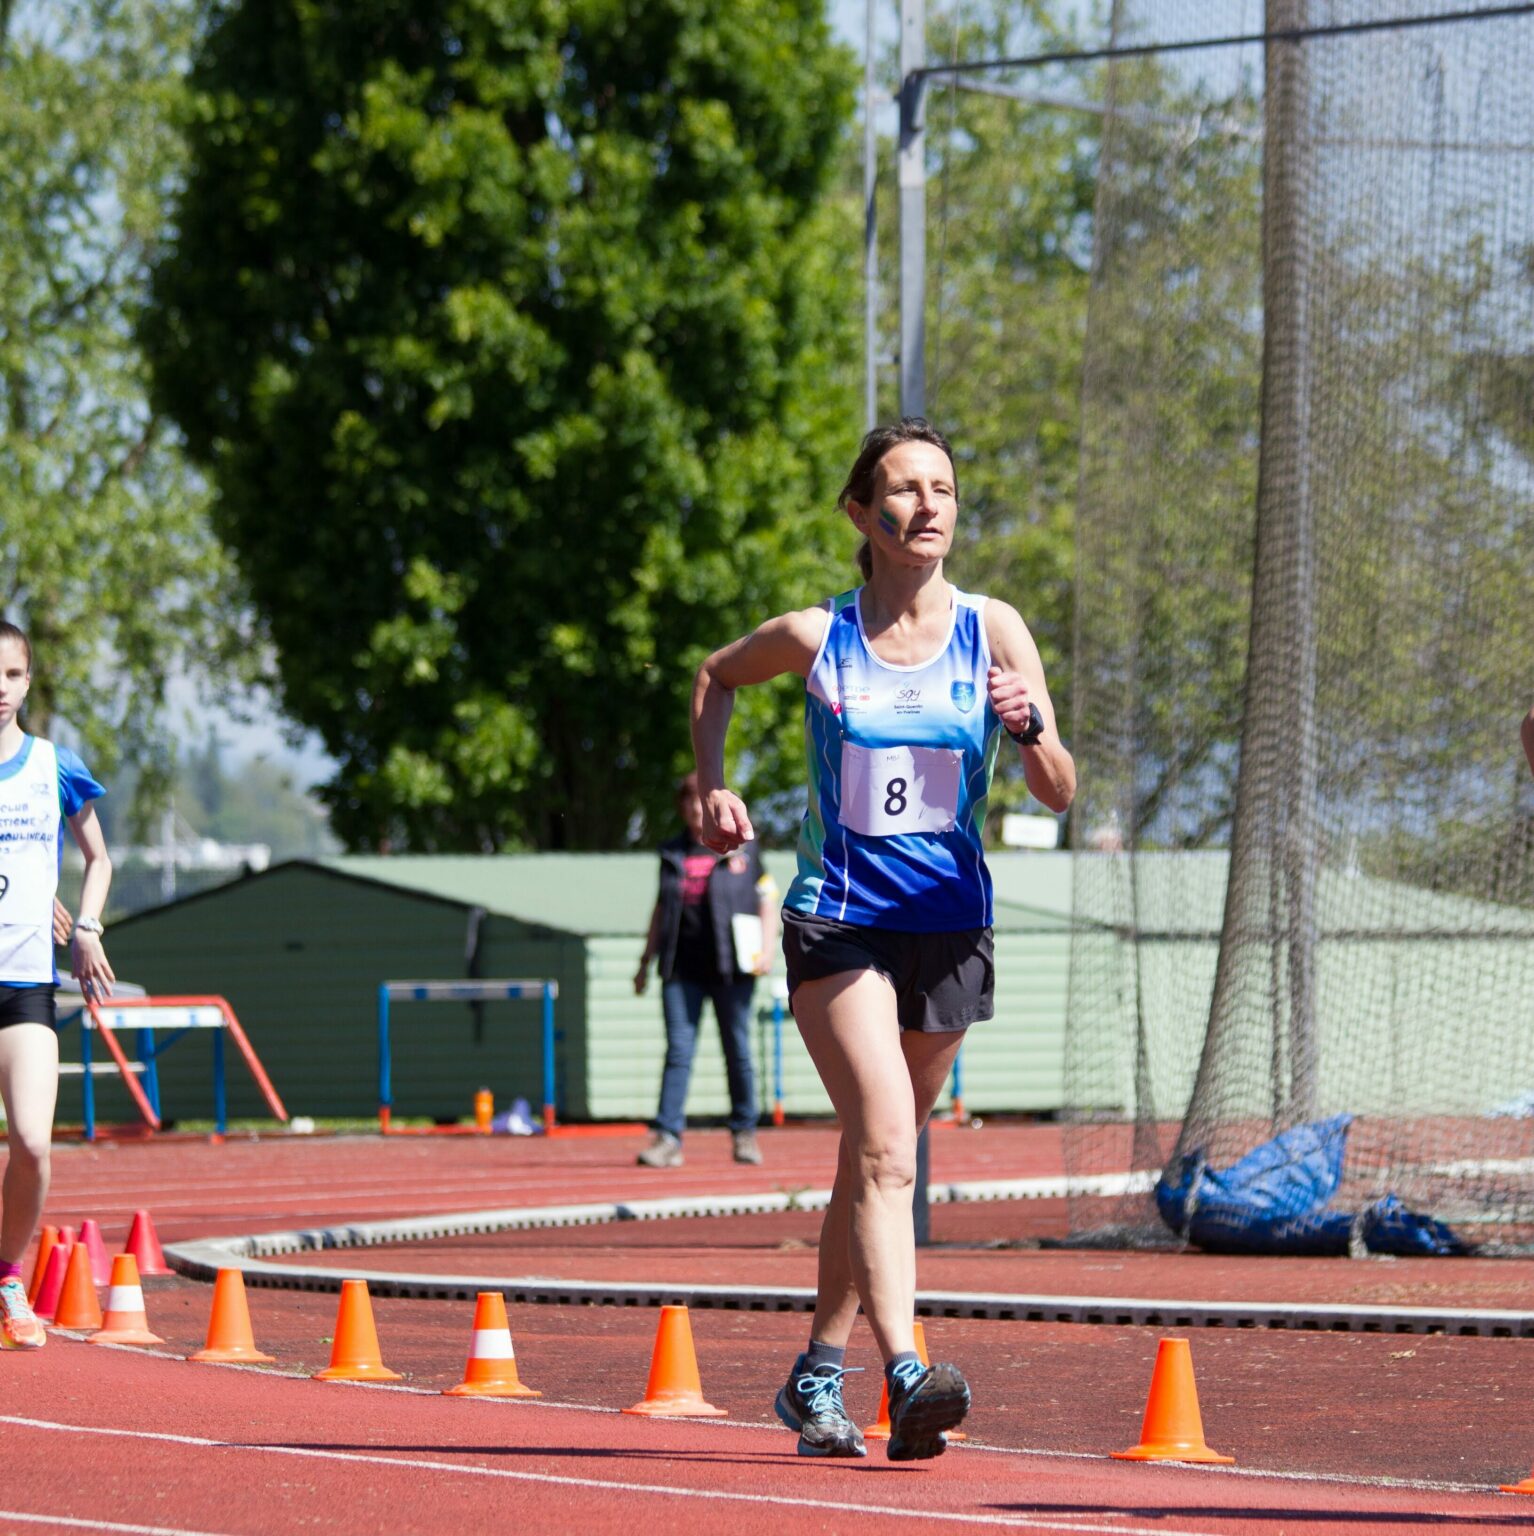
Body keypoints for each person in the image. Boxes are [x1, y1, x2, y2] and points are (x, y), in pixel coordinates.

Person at [691, 420, 1075, 1461]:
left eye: (943, 487)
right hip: (840, 919)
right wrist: (708, 784)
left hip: (949, 926)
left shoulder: (993, 630)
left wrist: (1030, 725)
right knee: (887, 1148)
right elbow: (716, 674)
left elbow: (1061, 787)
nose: (928, 505)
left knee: (876, 1160)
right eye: (903, 489)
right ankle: (907, 1372)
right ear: (862, 514)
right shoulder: (821, 637)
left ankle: (815, 1375)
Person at [0, 620, 115, 1349]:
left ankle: (7, 1277)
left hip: (22, 986)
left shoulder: (52, 765)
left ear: (27, 680)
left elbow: (96, 859)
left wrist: (88, 926)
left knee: (34, 1146)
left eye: (11, 675)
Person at [633, 772, 778, 1168]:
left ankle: (744, 1133)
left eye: (704, 801)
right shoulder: (671, 854)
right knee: (678, 1052)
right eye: (691, 802)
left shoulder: (744, 849)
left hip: (733, 970)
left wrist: (768, 949)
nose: (698, 809)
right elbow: (660, 909)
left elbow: (767, 899)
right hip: (680, 970)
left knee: (738, 1051)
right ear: (682, 808)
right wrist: (645, 962)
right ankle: (667, 1138)